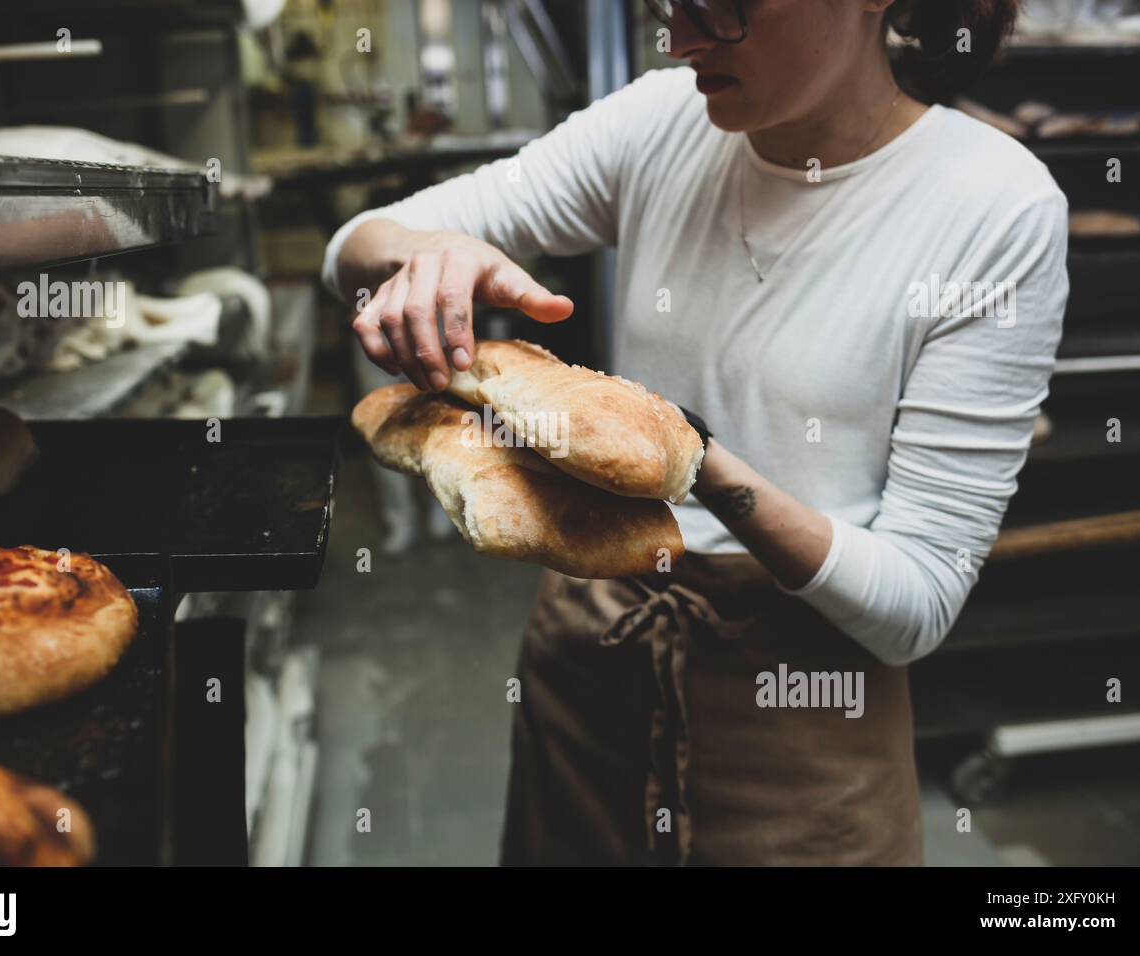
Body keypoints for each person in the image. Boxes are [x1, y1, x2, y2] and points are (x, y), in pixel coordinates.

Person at [323, 0, 1067, 865]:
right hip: (595, 657)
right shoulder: (660, 120)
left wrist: (696, 464)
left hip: (801, 707)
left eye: (723, 8)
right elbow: (354, 244)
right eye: (668, 8)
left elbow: (917, 603)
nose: (680, 40)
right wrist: (434, 251)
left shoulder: (992, 207)